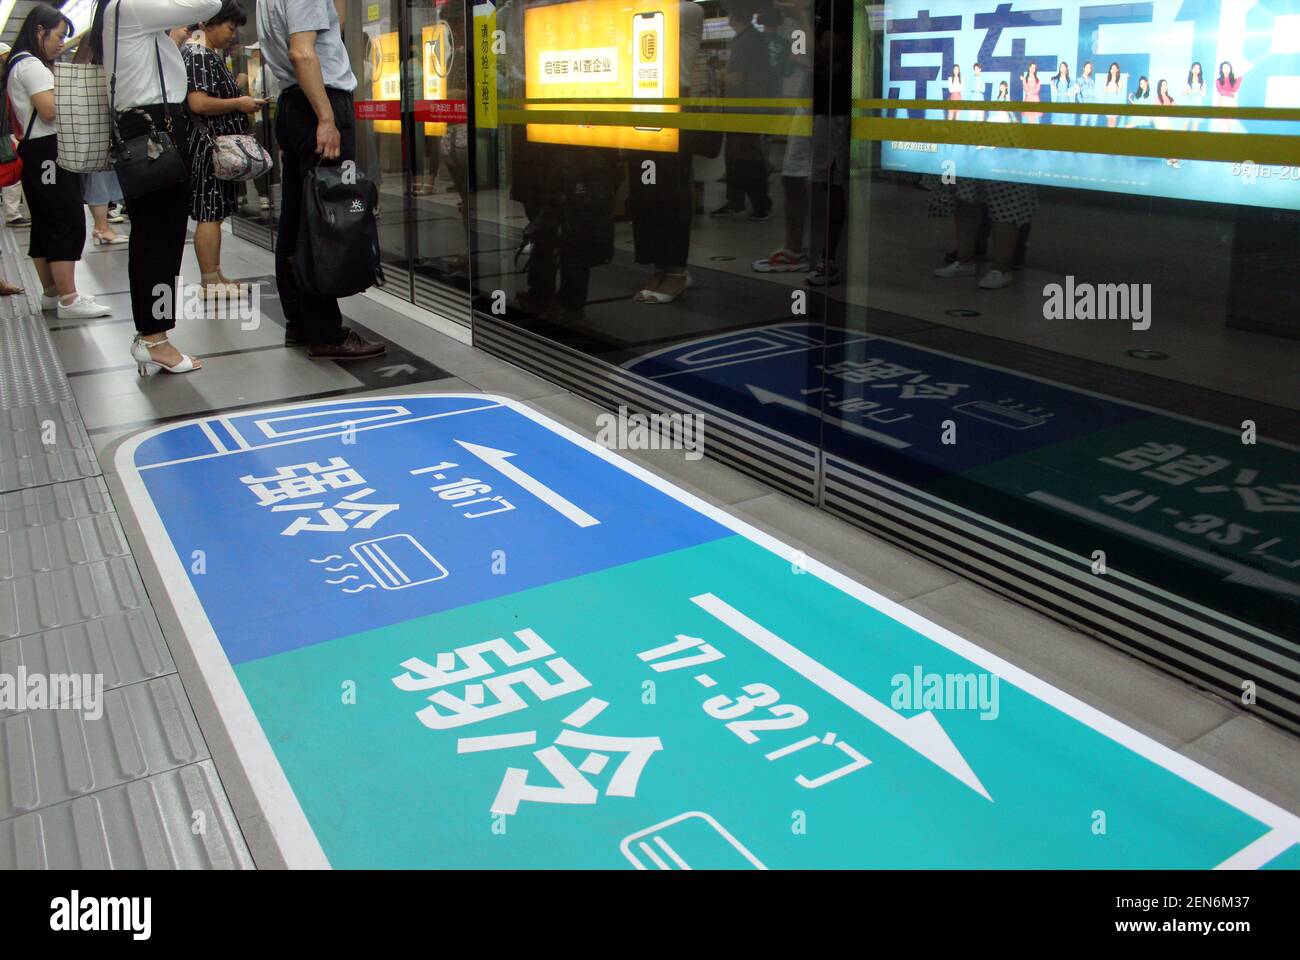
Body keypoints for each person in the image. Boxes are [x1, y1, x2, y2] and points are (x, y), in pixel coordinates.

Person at [94, 0, 222, 375]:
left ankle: (151, 335)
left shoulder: (124, 12)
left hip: (150, 127)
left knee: (154, 237)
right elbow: (210, 4)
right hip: (154, 130)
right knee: (160, 240)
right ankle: (154, 339)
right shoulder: (132, 7)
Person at [257, 0, 386, 359]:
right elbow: (302, 52)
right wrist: (326, 119)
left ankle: (302, 322)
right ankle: (326, 332)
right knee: (325, 222)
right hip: (318, 102)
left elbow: (333, 26)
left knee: (297, 218)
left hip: (295, 101)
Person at [5, 6, 110, 319]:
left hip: (35, 150)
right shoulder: (32, 66)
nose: (61, 43)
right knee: (65, 217)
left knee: (45, 221)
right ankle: (69, 298)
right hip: (48, 151)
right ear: (40, 30)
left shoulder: (18, 63)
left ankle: (52, 293)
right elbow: (49, 110)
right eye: (58, 36)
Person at [184, 1, 264, 297]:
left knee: (215, 211)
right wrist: (239, 103)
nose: (232, 34)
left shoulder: (204, 54)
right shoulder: (198, 55)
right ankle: (210, 281)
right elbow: (198, 102)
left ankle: (216, 275)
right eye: (229, 28)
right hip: (209, 146)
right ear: (208, 23)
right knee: (209, 212)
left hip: (214, 145)